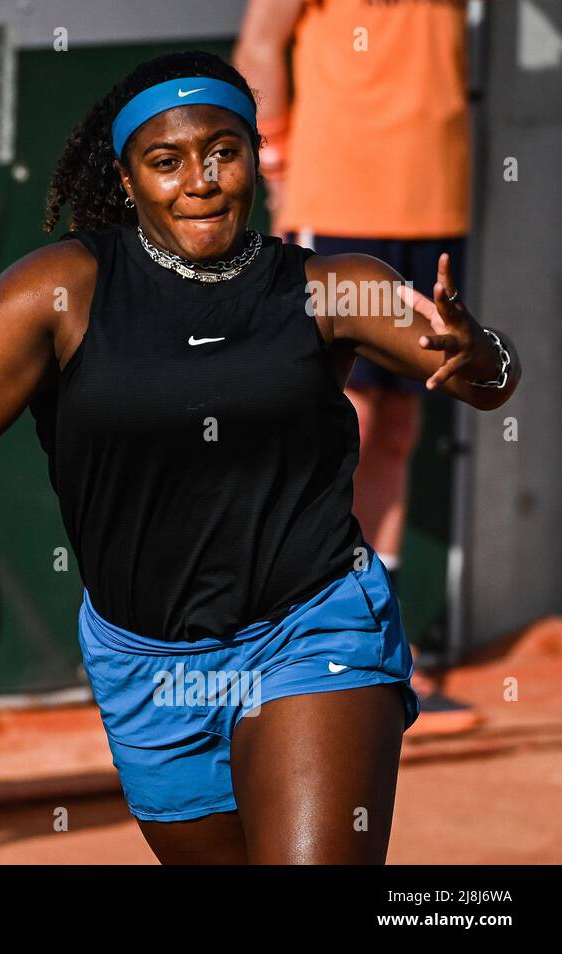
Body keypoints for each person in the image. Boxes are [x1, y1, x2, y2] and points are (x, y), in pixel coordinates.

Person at [0, 51, 519, 863]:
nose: (200, 180)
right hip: (148, 667)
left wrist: (479, 354)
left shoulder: (333, 286)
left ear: (254, 159)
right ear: (127, 179)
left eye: (224, 152)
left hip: (310, 631)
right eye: (166, 162)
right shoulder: (59, 290)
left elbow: (484, 378)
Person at [233, 0, 476, 723]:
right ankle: (289, 644)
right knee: (344, 422)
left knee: (398, 425)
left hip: (435, 202)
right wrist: (273, 163)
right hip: (335, 196)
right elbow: (260, 45)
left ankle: (377, 652)